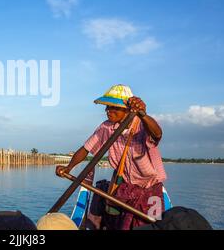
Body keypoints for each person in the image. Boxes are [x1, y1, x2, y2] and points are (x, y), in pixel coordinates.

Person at [56, 84, 166, 230]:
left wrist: (143, 114)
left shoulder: (141, 125)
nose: (108, 111)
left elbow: (157, 134)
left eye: (114, 107)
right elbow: (85, 149)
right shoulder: (106, 127)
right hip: (125, 188)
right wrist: (68, 168)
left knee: (154, 226)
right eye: (107, 107)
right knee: (121, 225)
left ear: (127, 110)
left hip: (151, 189)